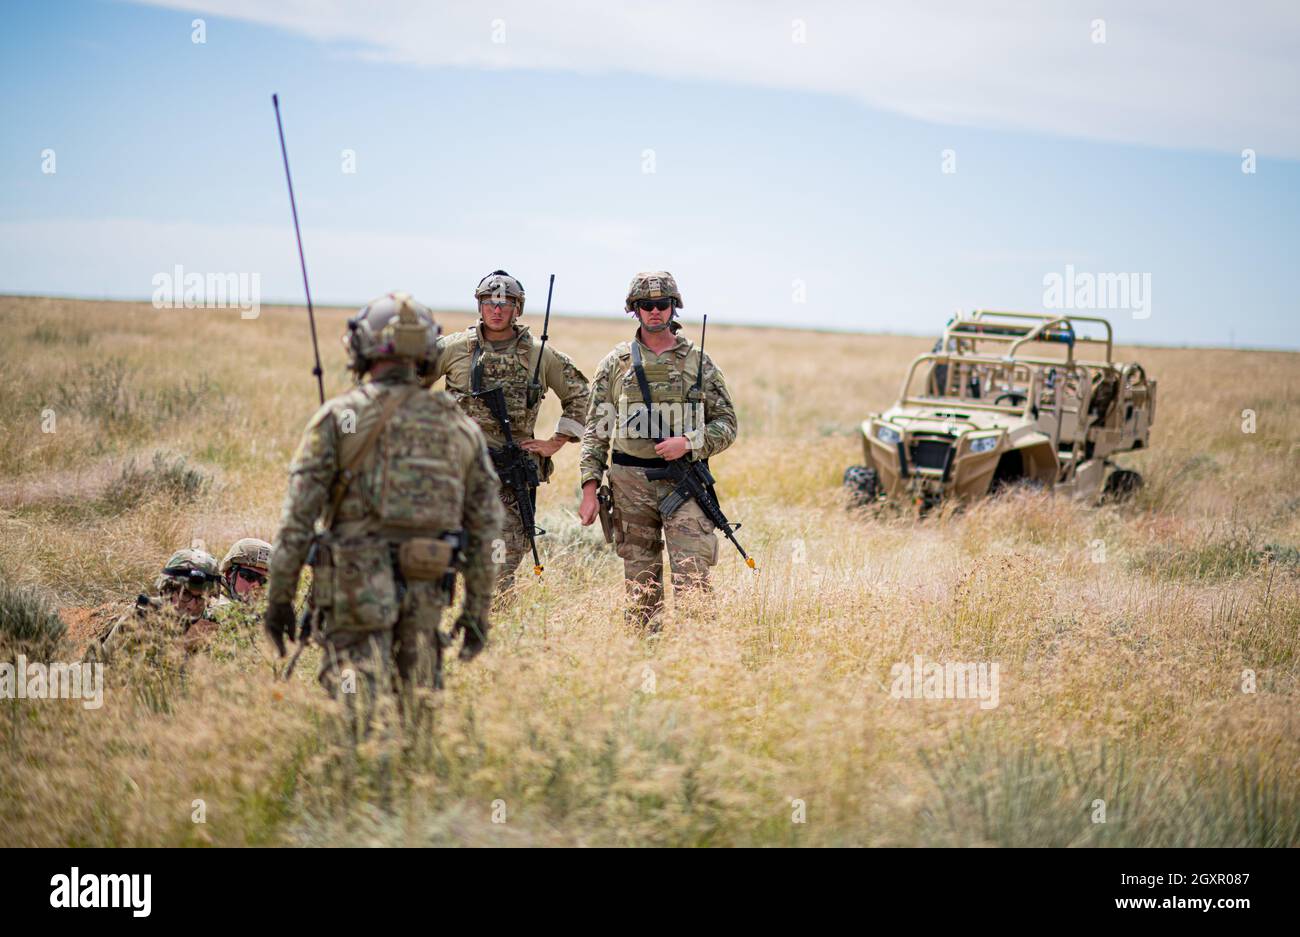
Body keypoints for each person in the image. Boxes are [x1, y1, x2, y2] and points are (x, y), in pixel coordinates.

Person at [263, 291, 502, 715]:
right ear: (427, 353)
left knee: (354, 716)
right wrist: (476, 611)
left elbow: (296, 524)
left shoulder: (338, 419)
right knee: (418, 714)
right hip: (426, 595)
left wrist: (280, 599)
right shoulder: (459, 427)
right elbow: (485, 530)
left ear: (361, 347)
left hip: (353, 596)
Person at [577, 271, 738, 629]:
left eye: (661, 304)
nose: (654, 311)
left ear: (673, 308)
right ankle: (644, 656)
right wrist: (589, 488)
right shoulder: (616, 364)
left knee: (693, 577)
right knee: (640, 581)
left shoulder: (699, 362)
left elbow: (727, 425)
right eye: (646, 305)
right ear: (634, 309)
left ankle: (698, 657)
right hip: (629, 483)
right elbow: (596, 431)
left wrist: (689, 442)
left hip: (683, 483)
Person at [426, 270, 590, 594]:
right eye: (490, 303)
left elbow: (582, 395)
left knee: (500, 562)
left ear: (518, 308)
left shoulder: (539, 355)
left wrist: (556, 442)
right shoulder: (453, 348)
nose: (497, 310)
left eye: (505, 304)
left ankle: (494, 626)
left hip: (510, 476)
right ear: (480, 305)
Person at [87, 547, 223, 663]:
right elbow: (131, 677)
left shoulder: (210, 623)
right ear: (168, 590)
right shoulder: (140, 618)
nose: (192, 605)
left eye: (201, 597)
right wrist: (183, 645)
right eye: (185, 594)